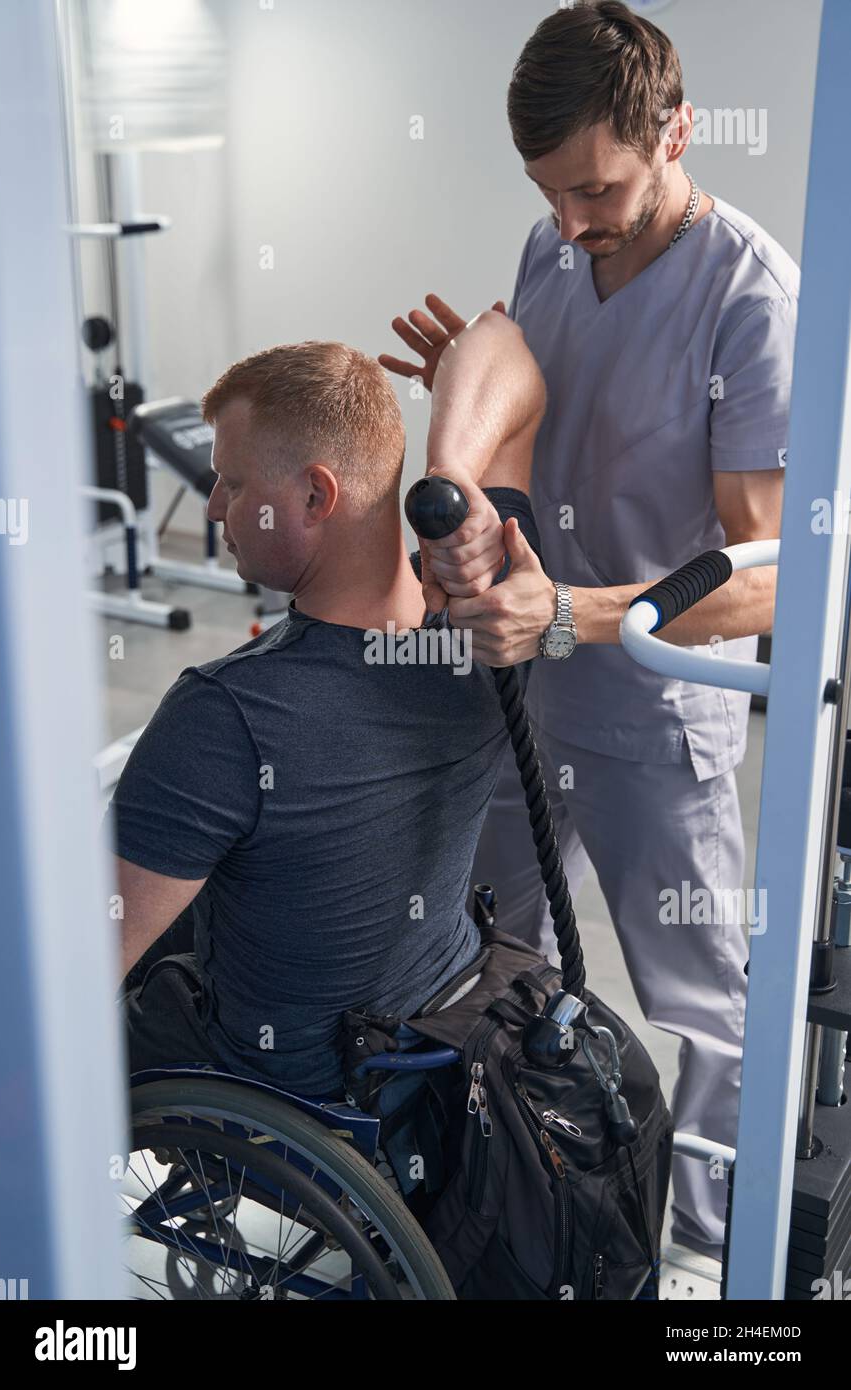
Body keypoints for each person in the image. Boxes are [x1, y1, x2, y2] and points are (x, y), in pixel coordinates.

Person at [380, 0, 797, 1286]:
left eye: (595, 189)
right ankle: (520, 1193)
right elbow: (546, 409)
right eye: (547, 194)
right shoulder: (557, 245)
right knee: (493, 951)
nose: (569, 222)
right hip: (525, 680)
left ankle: (702, 1258)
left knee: (705, 1009)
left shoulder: (750, 297)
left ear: (673, 130)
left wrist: (571, 611)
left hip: (650, 708)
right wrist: (478, 387)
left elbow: (767, 574)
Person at [108, 311, 550, 1101]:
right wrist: (454, 479)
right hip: (417, 1049)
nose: (213, 507)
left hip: (284, 1087)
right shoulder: (492, 622)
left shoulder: (223, 717)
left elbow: (79, 972)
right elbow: (509, 351)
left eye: (233, 482)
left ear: (315, 494)